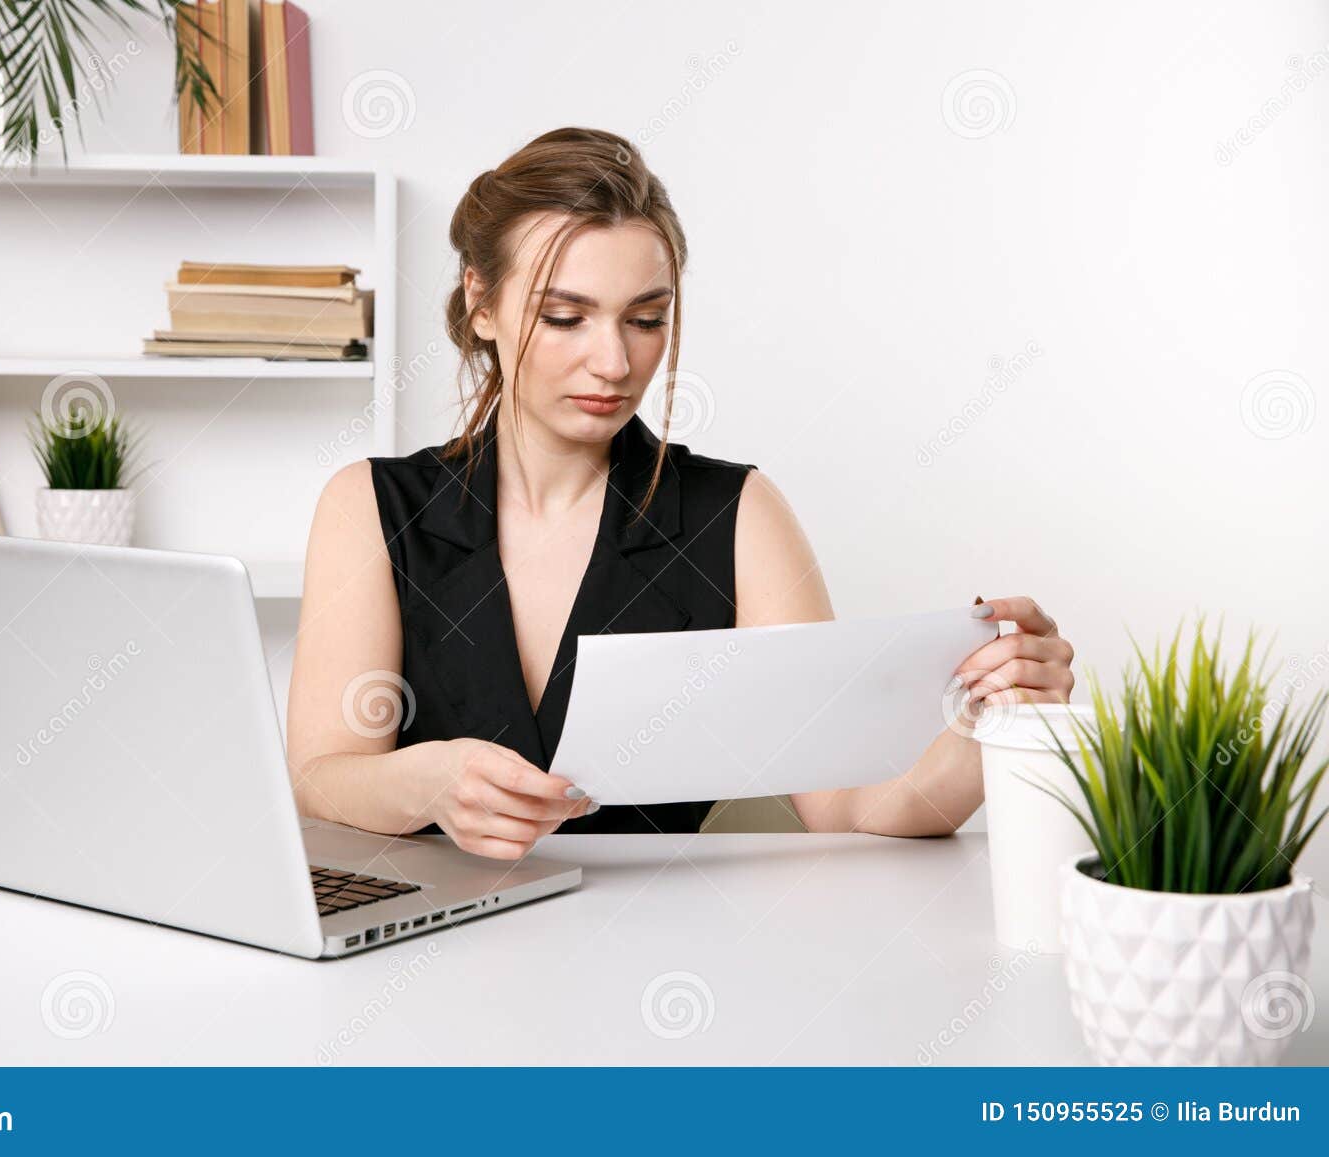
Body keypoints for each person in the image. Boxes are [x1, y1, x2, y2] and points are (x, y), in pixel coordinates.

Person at [285, 126, 1075, 860]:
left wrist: (986, 723)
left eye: (646, 318)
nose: (614, 361)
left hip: (668, 963)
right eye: (565, 317)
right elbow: (319, 777)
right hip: (426, 963)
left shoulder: (736, 515)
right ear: (482, 303)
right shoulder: (373, 506)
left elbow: (847, 805)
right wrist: (430, 780)